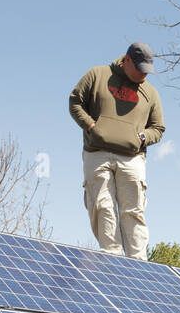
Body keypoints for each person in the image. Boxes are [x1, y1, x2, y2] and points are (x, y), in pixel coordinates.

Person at [69, 41, 165, 260]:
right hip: (97, 153)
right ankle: (110, 261)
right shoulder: (97, 75)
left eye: (147, 71)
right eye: (140, 70)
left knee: (133, 211)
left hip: (132, 159)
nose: (144, 75)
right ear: (127, 60)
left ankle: (139, 264)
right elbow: (75, 102)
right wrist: (92, 127)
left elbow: (158, 128)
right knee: (102, 206)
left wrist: (141, 138)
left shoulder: (150, 92)